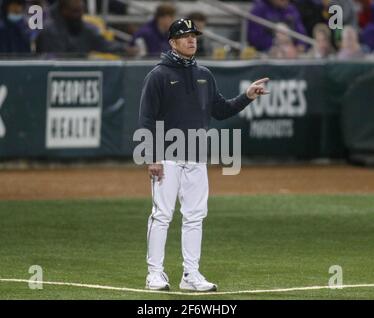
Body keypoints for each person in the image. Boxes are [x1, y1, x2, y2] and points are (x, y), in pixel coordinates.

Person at [139, 18, 269, 291]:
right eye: (185, 36)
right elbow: (147, 119)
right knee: (162, 214)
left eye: (194, 36)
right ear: (173, 42)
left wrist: (247, 96)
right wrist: (151, 156)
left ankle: (190, 275)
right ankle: (154, 273)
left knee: (195, 216)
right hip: (167, 155)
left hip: (197, 155)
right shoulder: (158, 75)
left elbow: (220, 110)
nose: (191, 40)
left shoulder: (204, 75)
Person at [36, 0, 131, 56]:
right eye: (75, 11)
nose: (79, 15)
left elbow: (105, 44)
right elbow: (51, 60)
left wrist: (125, 49)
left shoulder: (85, 29)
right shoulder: (49, 30)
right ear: (64, 10)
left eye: (81, 11)